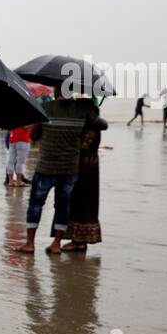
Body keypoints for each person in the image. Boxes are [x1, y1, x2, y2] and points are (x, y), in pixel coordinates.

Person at [16, 85, 100, 255]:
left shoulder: (45, 109)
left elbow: (33, 136)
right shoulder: (82, 110)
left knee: (35, 205)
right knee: (62, 206)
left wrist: (37, 120)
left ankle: (30, 244)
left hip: (46, 167)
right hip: (69, 168)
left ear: (56, 92)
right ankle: (56, 245)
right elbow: (100, 124)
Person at [62, 99, 109, 252]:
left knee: (80, 202)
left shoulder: (89, 127)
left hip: (82, 168)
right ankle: (80, 241)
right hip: (92, 167)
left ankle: (79, 241)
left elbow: (82, 147)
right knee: (87, 202)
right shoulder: (95, 125)